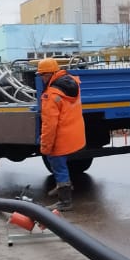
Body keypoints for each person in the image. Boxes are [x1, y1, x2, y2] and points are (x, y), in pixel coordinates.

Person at [38, 58, 85, 211]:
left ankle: (65, 201)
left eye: (42, 75)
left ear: (48, 75)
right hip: (74, 135)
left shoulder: (50, 95)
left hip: (60, 138)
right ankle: (61, 187)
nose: (41, 78)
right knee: (61, 165)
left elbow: (49, 126)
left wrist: (45, 146)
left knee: (58, 166)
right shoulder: (73, 83)